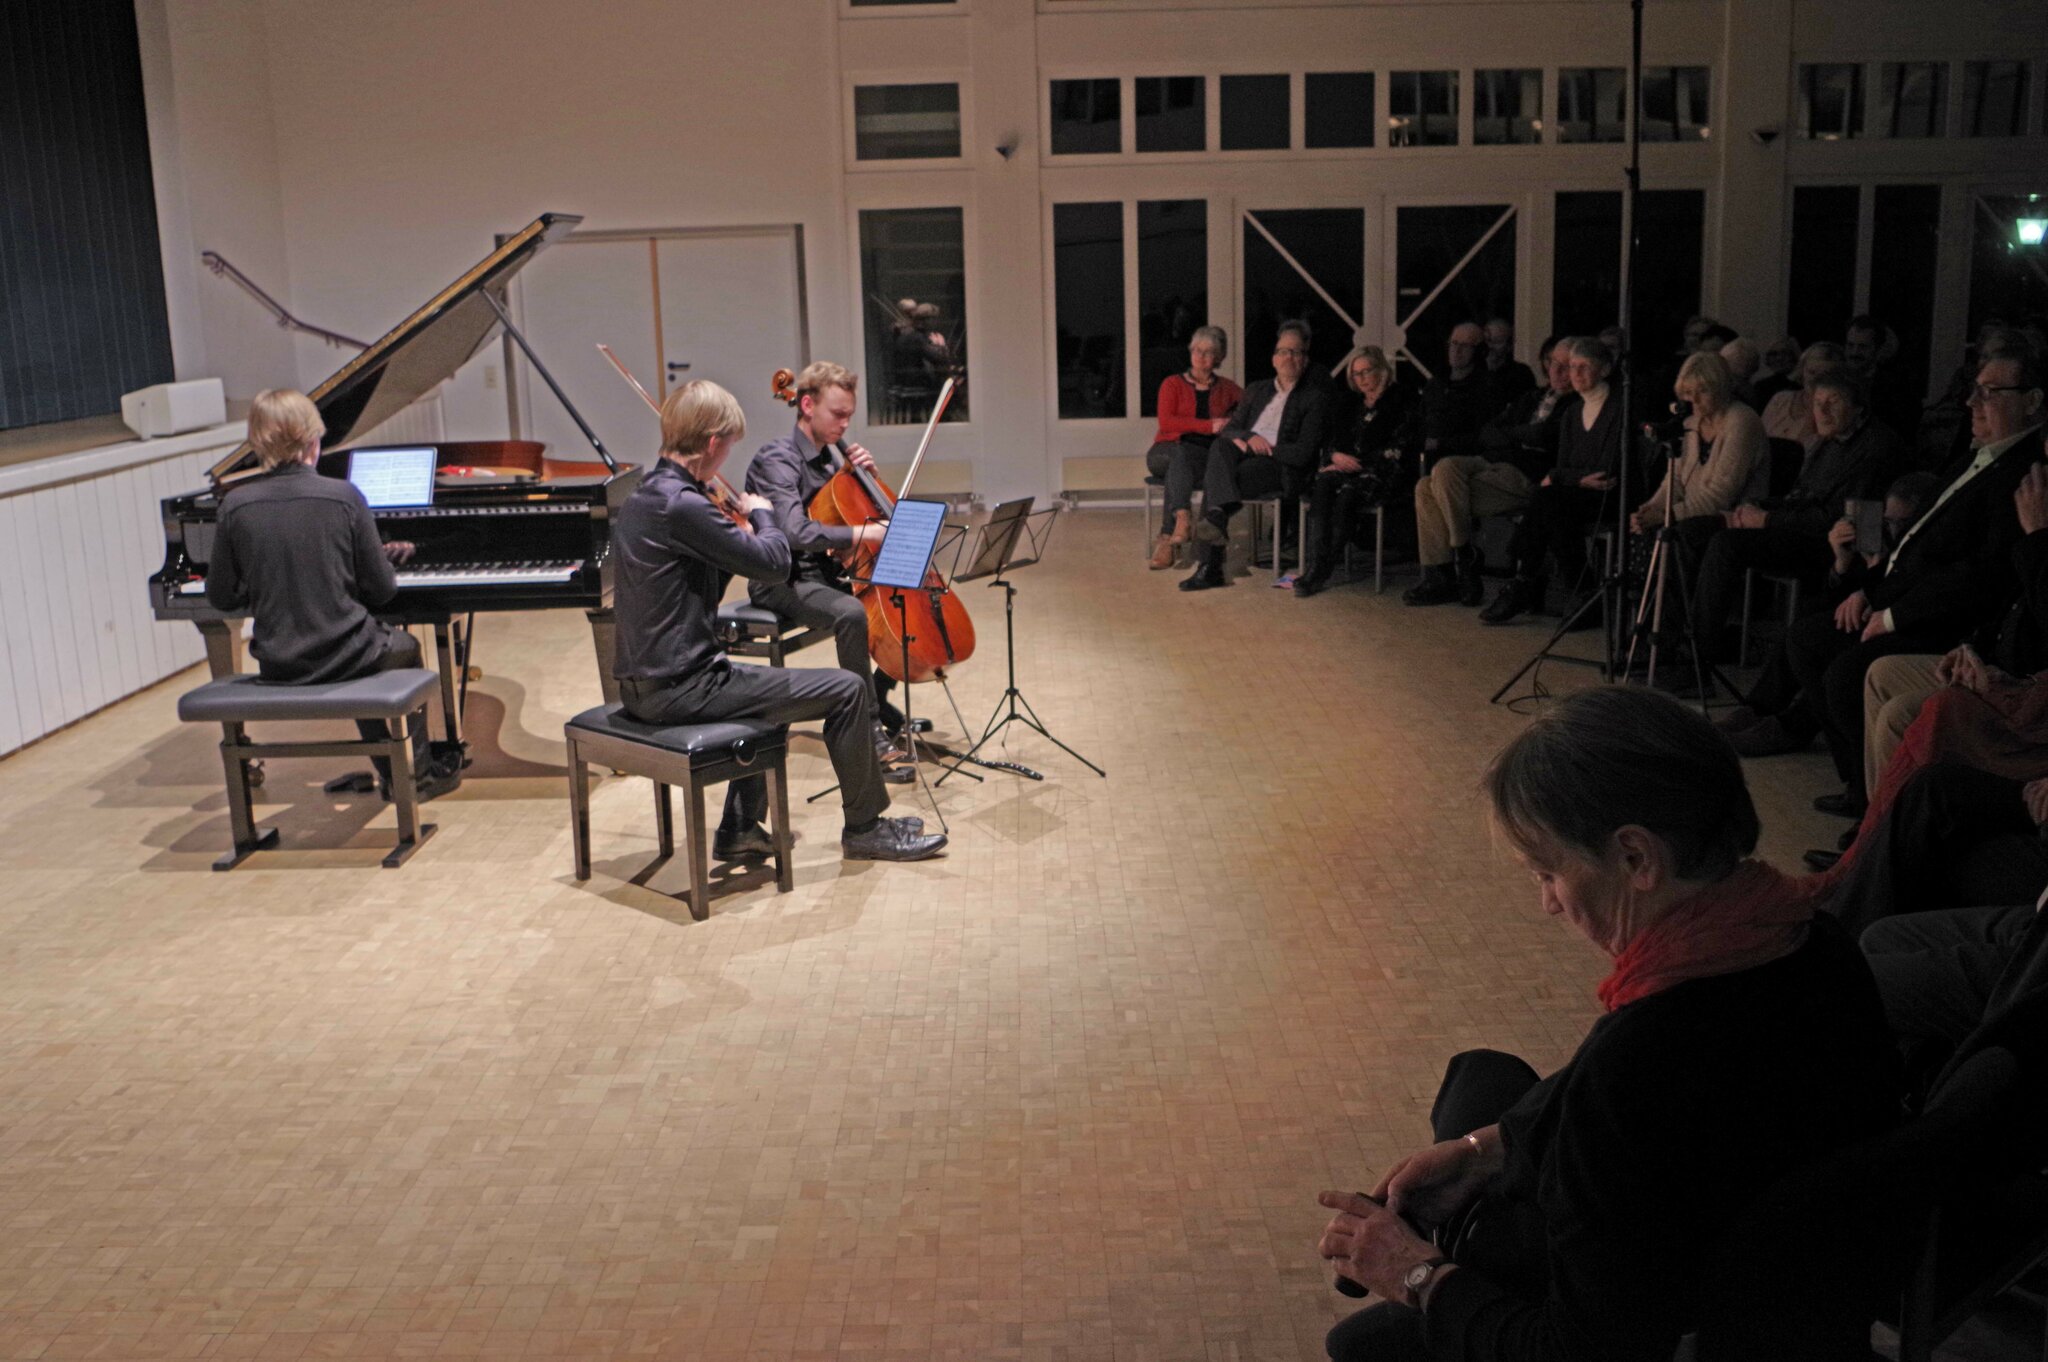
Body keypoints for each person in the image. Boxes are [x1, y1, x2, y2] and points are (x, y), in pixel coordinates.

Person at [1316, 686, 1898, 1362]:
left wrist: (1415, 1275)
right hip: (1775, 1264)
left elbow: (1579, 1351)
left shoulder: (1633, 1069)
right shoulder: (1812, 939)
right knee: (1479, 1076)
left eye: (1548, 872)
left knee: (1359, 1346)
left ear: (1636, 858)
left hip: (1681, 1305)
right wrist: (1485, 1150)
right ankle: (1469, 1212)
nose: (1548, 906)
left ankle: (1460, 1237)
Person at [612, 380, 944, 863]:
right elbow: (773, 562)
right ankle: (866, 828)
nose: (729, 454)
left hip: (649, 682)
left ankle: (739, 829)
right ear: (711, 443)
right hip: (683, 686)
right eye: (729, 445)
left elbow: (712, 570)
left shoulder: (650, 494)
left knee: (773, 692)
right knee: (847, 690)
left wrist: (730, 529)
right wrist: (763, 516)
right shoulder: (684, 505)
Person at [1726, 354, 2047, 808]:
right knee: (1807, 636)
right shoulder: (1981, 456)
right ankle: (1856, 782)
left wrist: (1892, 616)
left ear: (2032, 401)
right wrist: (1868, 590)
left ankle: (1871, 802)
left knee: (1844, 673)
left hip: (1950, 620)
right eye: (1974, 388)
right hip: (1904, 595)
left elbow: (1978, 576)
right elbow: (1914, 545)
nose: (1973, 401)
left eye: (1991, 392)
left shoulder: (2026, 473)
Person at [205, 388, 457, 802]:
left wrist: (268, 585)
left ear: (258, 441)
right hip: (348, 656)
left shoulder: (236, 505)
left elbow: (221, 597)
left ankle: (393, 771)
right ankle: (416, 776)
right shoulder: (344, 497)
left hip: (278, 663)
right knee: (402, 646)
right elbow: (383, 591)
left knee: (369, 645)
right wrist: (367, 565)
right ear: (313, 440)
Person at [745, 362, 916, 781]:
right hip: (785, 579)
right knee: (852, 614)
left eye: (848, 416)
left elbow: (862, 511)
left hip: (829, 575)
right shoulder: (776, 460)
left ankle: (877, 695)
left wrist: (866, 476)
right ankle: (869, 730)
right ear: (806, 404)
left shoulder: (831, 461)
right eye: (838, 414)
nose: (845, 424)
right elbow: (793, 530)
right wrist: (863, 534)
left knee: (905, 598)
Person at [1679, 367, 1906, 653]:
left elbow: (1838, 521)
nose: (1821, 410)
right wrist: (1753, 508)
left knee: (1726, 544)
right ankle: (1670, 639)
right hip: (1798, 526)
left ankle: (1698, 653)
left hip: (1834, 546)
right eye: (1817, 402)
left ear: (1859, 408)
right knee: (1688, 531)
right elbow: (1799, 497)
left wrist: (1766, 519)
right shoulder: (1828, 440)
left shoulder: (1876, 449)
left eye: (1833, 401)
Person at [1478, 337, 1626, 624]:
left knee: (1549, 501)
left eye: (1584, 367)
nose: (1576, 374)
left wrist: (1566, 477)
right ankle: (1580, 591)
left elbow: (1605, 471)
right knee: (1553, 508)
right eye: (1572, 367)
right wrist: (1571, 477)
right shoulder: (1572, 412)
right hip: (1574, 495)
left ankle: (1525, 582)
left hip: (1608, 495)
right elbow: (1562, 468)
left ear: (1605, 369)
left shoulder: (1618, 410)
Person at [1179, 320, 1333, 592]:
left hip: (1280, 467)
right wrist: (1249, 438)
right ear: (1274, 359)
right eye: (1283, 351)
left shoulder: (1313, 398)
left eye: (1296, 352)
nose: (1289, 357)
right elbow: (1231, 429)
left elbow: (1303, 453)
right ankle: (1216, 519)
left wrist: (1265, 447)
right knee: (1221, 447)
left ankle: (1210, 564)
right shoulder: (1256, 390)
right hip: (1244, 457)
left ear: (1305, 360)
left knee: (1216, 481)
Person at [1404, 323, 1532, 607]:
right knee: (1425, 486)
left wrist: (1443, 443)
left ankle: (1462, 554)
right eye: (1453, 343)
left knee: (1444, 471)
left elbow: (1486, 435)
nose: (1457, 350)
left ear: (1479, 351)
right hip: (1441, 466)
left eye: (1465, 345)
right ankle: (1442, 575)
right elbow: (1419, 423)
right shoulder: (1437, 384)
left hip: (1475, 461)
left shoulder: (1488, 386)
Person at [1294, 345, 1416, 597]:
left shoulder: (1402, 398)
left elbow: (1400, 446)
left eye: (1366, 372)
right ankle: (1318, 561)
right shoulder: (1349, 402)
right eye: (1356, 374)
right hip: (1345, 466)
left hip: (1382, 470)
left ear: (1381, 370)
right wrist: (1335, 456)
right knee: (1324, 484)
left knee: (1349, 493)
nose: (1360, 379)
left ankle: (1322, 568)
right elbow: (1332, 440)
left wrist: (1357, 462)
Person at [1629, 351, 1769, 538]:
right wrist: (1651, 508)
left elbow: (1721, 497)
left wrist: (1666, 515)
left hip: (1733, 519)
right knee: (1640, 528)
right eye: (1688, 393)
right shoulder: (1690, 423)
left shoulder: (1742, 421)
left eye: (1703, 391)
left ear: (1720, 388)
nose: (1693, 400)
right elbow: (1675, 480)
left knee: (1677, 533)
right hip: (1691, 516)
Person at [1145, 326, 1243, 570]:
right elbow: (1167, 422)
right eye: (1197, 350)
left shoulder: (1228, 388)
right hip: (1164, 451)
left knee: (1183, 468)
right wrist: (1209, 426)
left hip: (1199, 458)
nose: (1201, 356)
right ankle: (1183, 516)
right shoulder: (1172, 384)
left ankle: (1168, 539)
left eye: (1209, 352)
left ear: (1218, 358)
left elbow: (1251, 410)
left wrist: (1232, 426)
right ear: (1190, 353)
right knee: (1179, 456)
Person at [1760, 342, 1847, 452]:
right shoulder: (1780, 399)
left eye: (1824, 375)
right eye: (1811, 372)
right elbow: (1758, 439)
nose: (1815, 380)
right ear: (1802, 370)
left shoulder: (1833, 411)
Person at [1480, 317, 1535, 414]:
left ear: (1509, 346)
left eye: (1497, 341)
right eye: (1488, 340)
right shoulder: (1474, 370)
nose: (1490, 346)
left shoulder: (1520, 374)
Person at [1752, 335, 1802, 407]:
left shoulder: (1802, 385)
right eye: (1774, 354)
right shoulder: (1761, 386)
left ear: (1793, 356)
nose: (1779, 358)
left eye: (1784, 353)